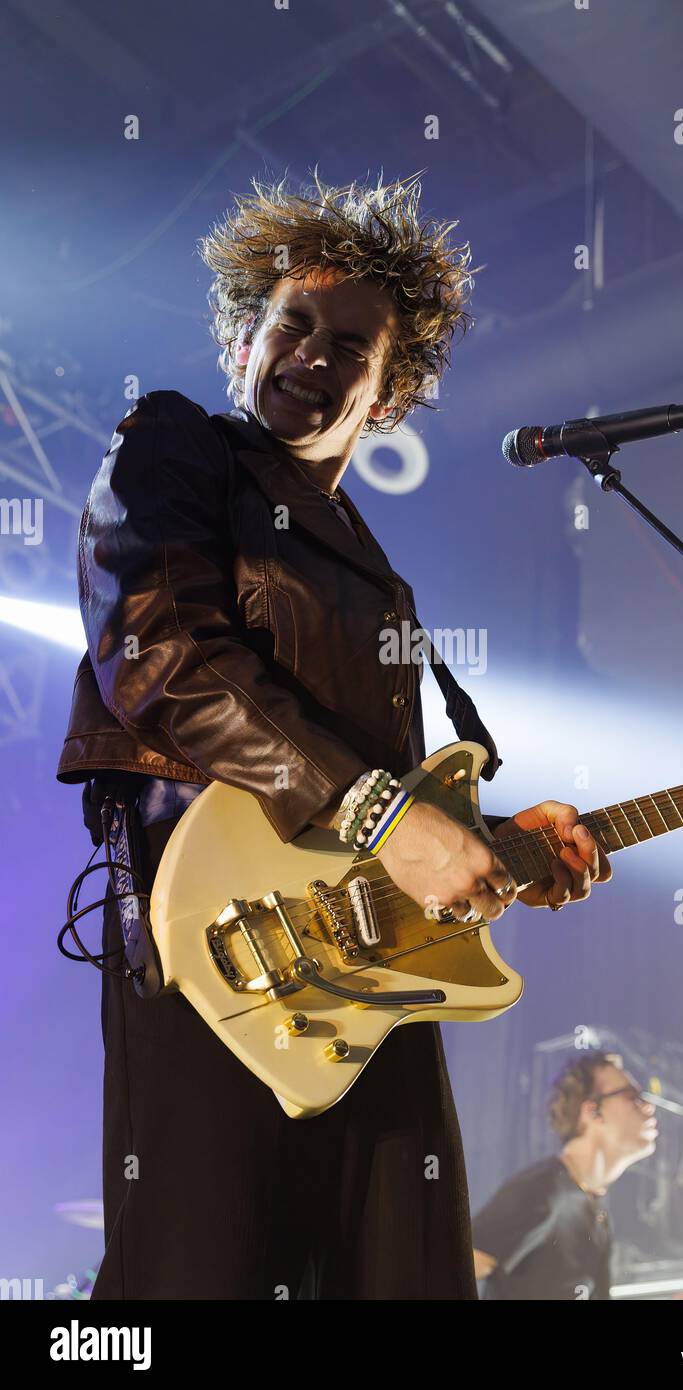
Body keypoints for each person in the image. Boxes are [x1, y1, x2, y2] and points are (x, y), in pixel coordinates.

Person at [56, 171, 612, 1300]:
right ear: (245, 338)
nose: (312, 352)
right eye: (290, 324)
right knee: (191, 1277)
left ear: (390, 385)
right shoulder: (175, 446)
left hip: (368, 967)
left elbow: (367, 791)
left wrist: (490, 841)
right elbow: (162, 653)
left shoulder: (370, 566)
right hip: (214, 932)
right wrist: (382, 811)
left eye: (350, 344)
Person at [473, 1051, 659, 1299]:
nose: (648, 1106)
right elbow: (443, 1276)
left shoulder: (597, 1213)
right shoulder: (541, 1191)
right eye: (632, 1096)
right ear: (593, 1112)